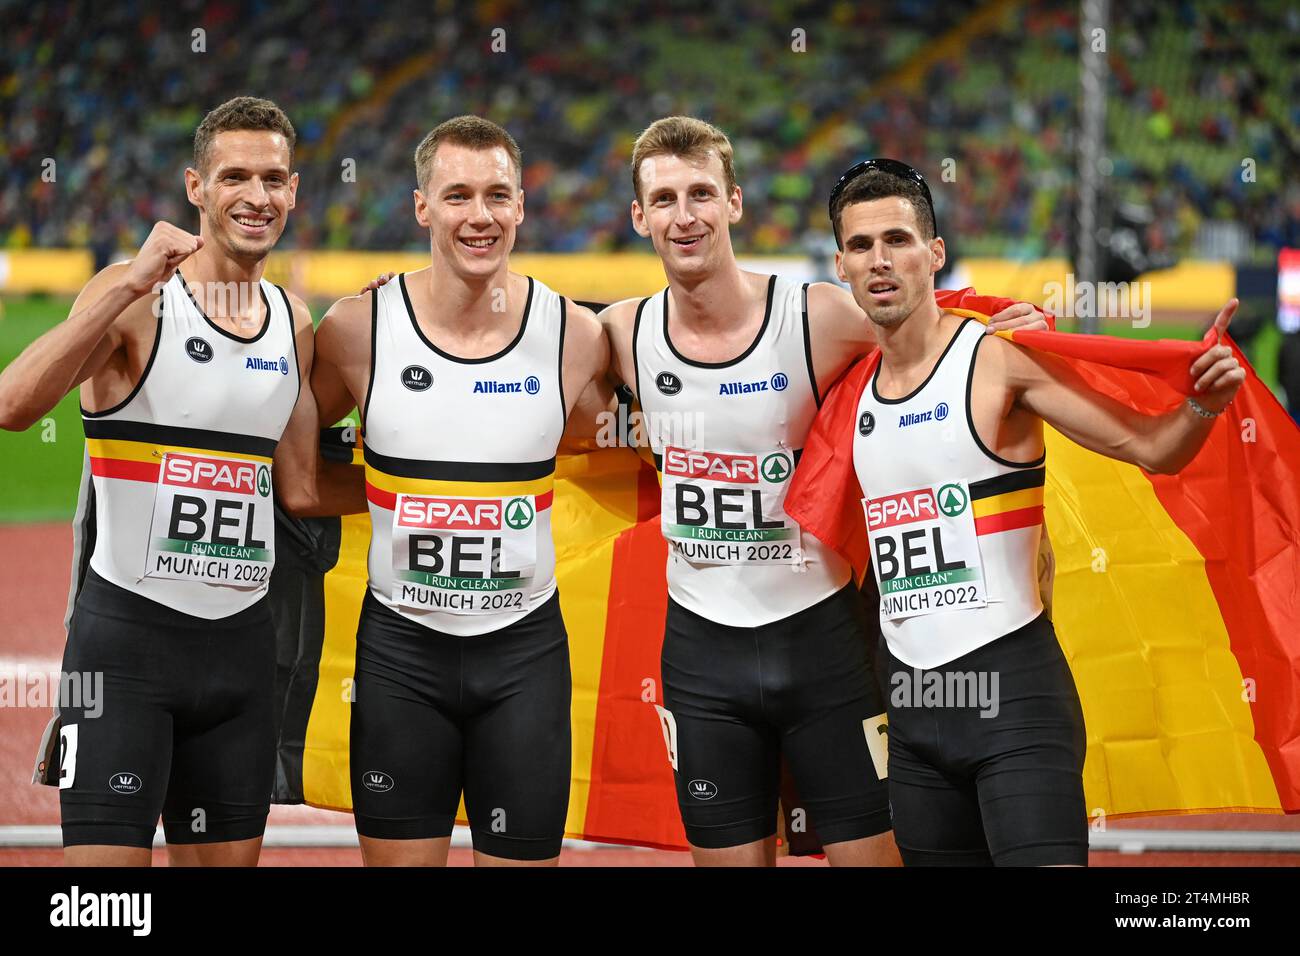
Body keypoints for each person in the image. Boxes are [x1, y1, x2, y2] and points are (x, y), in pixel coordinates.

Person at [594, 117, 1049, 866]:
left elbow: (927, 336)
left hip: (827, 644)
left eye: (702, 192)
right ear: (640, 216)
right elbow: (520, 362)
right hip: (702, 655)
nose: (686, 215)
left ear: (734, 202)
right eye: (665, 198)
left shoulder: (816, 318)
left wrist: (1002, 325)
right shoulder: (620, 333)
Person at [826, 157, 1244, 865]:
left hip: (1015, 703)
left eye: (897, 240)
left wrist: (1202, 401)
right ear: (841, 265)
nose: (880, 260)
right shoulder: (846, 391)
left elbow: (1152, 447)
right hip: (912, 710)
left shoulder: (998, 362)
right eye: (861, 246)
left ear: (934, 254)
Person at [0, 96, 357, 865]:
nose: (256, 197)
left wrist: (438, 490)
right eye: (235, 177)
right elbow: (14, 405)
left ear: (295, 192)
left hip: (241, 658)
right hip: (124, 651)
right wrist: (126, 287)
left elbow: (299, 488)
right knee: (105, 909)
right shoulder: (137, 300)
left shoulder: (291, 320)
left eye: (273, 179)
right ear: (196, 186)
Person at [310, 116, 608, 866]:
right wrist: (392, 492)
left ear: (520, 208)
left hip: (525, 657)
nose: (480, 215)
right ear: (421, 207)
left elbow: (611, 436)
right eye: (458, 196)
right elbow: (291, 460)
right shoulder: (355, 330)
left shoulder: (574, 334)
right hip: (401, 656)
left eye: (498, 195)